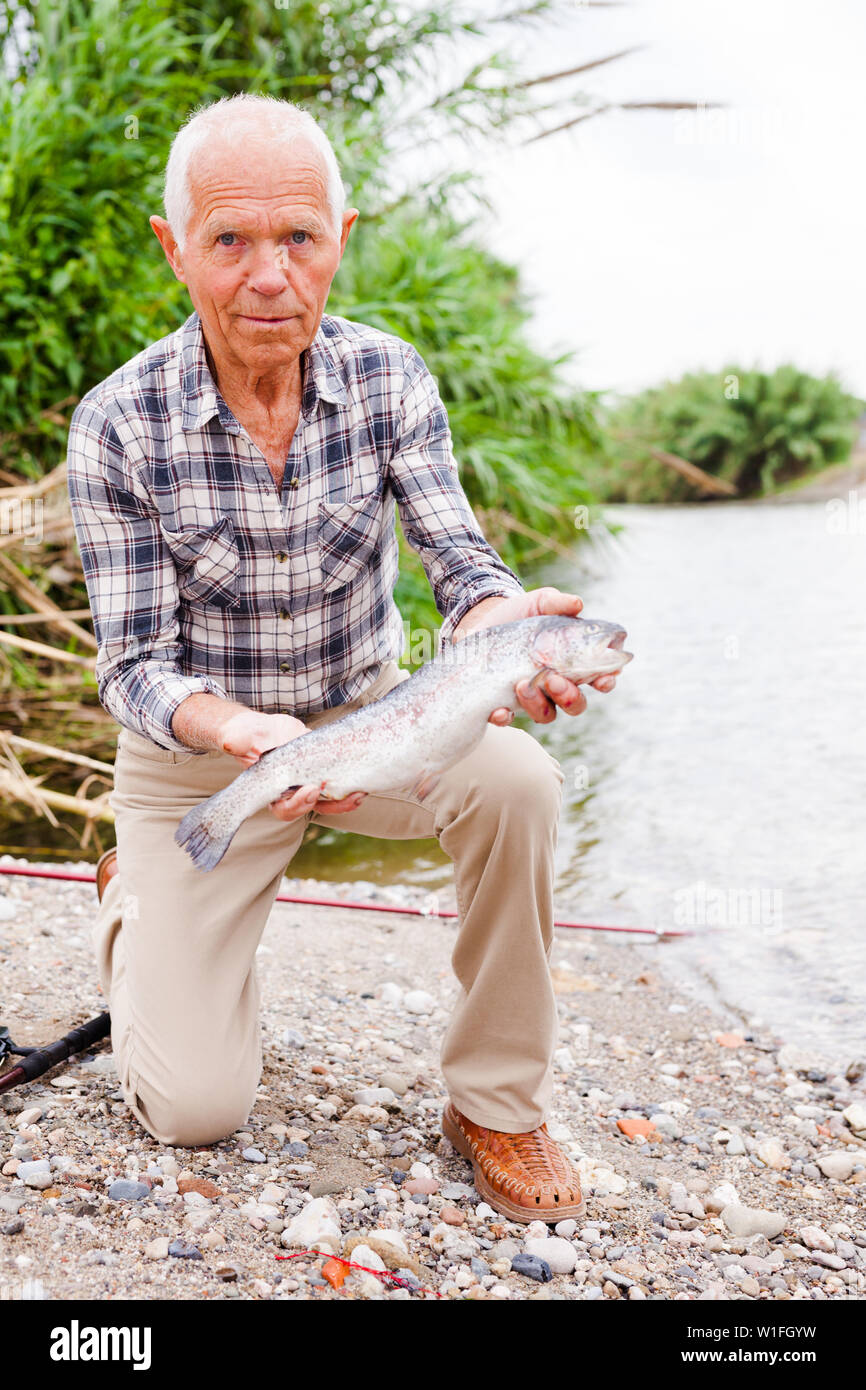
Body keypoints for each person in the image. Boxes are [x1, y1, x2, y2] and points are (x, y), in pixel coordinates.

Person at [66, 93, 618, 1224]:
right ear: (176, 250)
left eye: (298, 239)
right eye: (230, 240)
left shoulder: (389, 379)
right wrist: (244, 738)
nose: (269, 276)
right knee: (195, 1111)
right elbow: (130, 665)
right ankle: (137, 902)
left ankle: (496, 1104)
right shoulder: (116, 423)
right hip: (204, 760)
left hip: (379, 717)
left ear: (340, 240)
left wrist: (505, 623)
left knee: (517, 780)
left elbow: (461, 565)